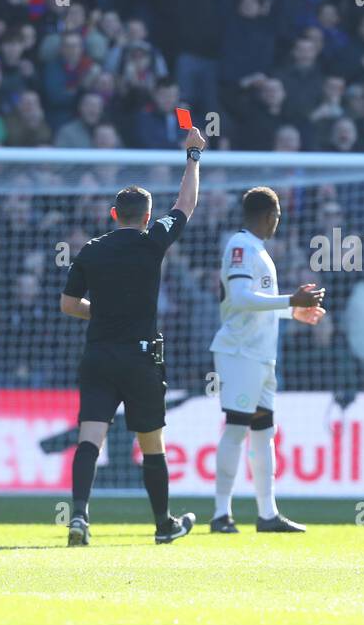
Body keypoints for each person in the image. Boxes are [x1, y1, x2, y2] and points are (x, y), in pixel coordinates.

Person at [58, 126, 207, 546]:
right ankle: (163, 525)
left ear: (112, 215)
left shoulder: (91, 250)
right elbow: (186, 205)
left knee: (91, 437)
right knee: (152, 443)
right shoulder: (152, 241)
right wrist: (193, 156)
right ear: (146, 217)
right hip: (141, 359)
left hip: (99, 356)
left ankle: (79, 519)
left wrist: (99, 312)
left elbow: (68, 306)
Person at [209, 186, 326, 533]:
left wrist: (294, 313)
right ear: (269, 216)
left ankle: (267, 513)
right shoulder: (241, 247)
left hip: (260, 356)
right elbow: (242, 298)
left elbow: (256, 305)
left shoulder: (256, 249)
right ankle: (220, 514)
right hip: (239, 353)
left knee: (263, 432)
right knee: (236, 428)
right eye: (277, 217)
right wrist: (291, 300)